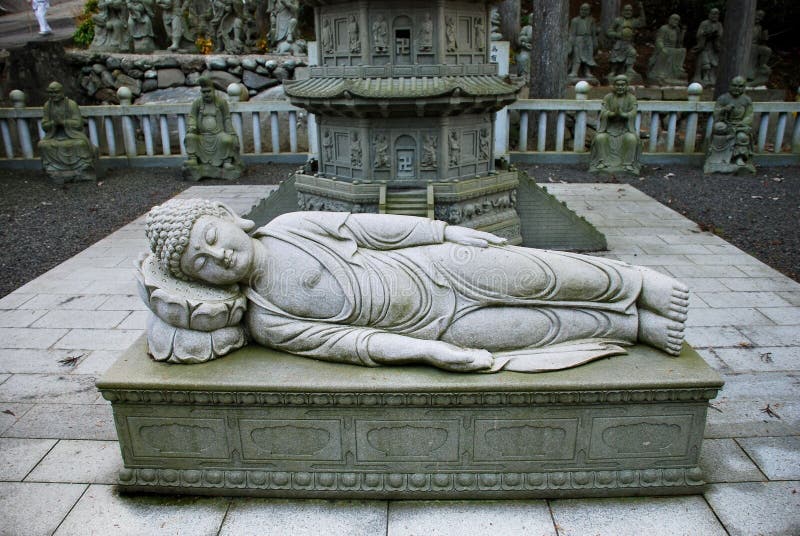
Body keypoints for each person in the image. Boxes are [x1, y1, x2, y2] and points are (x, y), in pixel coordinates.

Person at [142, 198, 689, 372]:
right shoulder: (267, 319)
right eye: (202, 263)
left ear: (232, 219)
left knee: (540, 273)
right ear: (203, 282)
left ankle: (634, 283)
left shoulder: (289, 227)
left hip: (432, 268)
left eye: (211, 236)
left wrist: (448, 231)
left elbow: (373, 229)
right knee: (537, 328)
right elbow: (352, 345)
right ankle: (631, 322)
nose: (218, 254)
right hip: (433, 323)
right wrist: (429, 351)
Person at [38, 82, 99, 182]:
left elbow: (78, 123)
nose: (54, 95)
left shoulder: (71, 104)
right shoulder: (47, 106)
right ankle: (53, 169)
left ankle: (84, 168)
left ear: (62, 92)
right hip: (55, 135)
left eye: (56, 92)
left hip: (72, 135)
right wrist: (53, 123)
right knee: (43, 145)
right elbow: (44, 125)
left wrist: (63, 122)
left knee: (81, 144)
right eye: (51, 93)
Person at [183, 77, 243, 179]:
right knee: (190, 137)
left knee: (227, 140)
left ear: (213, 90)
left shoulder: (221, 103)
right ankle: (193, 159)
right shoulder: (197, 103)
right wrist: (192, 126)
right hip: (202, 135)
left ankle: (226, 161)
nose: (206, 94)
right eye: (204, 92)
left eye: (208, 91)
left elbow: (226, 119)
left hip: (218, 134)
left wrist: (231, 133)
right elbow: (192, 117)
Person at [589, 75, 641, 175]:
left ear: (627, 86)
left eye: (622, 85)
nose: (620, 87)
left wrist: (623, 115)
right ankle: (603, 162)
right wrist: (612, 114)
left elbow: (633, 113)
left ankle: (627, 164)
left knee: (631, 139)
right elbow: (603, 112)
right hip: (609, 129)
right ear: (614, 86)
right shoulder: (608, 98)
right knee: (600, 138)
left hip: (624, 130)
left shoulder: (631, 98)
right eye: (617, 85)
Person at [704, 76, 755, 174]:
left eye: (740, 86)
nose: (737, 88)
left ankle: (739, 157)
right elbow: (716, 114)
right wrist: (724, 110)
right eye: (734, 85)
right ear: (730, 86)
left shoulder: (746, 100)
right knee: (718, 127)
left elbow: (749, 116)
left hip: (740, 125)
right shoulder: (723, 98)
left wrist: (741, 123)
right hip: (726, 123)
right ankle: (717, 157)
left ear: (744, 87)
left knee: (742, 136)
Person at [647, 14, 687, 86]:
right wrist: (662, 47)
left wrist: (683, 33)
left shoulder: (677, 29)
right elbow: (659, 39)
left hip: (673, 49)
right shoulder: (664, 28)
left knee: (682, 50)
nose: (676, 21)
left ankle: (678, 69)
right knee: (665, 52)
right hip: (664, 48)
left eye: (677, 20)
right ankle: (661, 72)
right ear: (670, 19)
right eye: (674, 19)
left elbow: (679, 43)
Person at [568, 3, 598, 80]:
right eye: (582, 9)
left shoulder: (592, 20)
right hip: (578, 39)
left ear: (589, 11)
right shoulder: (575, 20)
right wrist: (570, 44)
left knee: (588, 56)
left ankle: (587, 72)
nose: (584, 11)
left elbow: (594, 34)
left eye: (586, 10)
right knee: (577, 56)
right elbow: (572, 34)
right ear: (580, 10)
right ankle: (574, 71)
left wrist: (595, 43)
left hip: (588, 40)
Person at [693, 8, 723, 86]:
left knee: (714, 64)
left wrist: (717, 36)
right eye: (713, 14)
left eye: (717, 14)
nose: (715, 16)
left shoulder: (719, 25)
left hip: (714, 47)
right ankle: (704, 77)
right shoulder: (704, 23)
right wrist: (705, 34)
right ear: (709, 14)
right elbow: (699, 35)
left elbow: (721, 36)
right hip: (705, 46)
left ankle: (712, 77)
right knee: (706, 63)